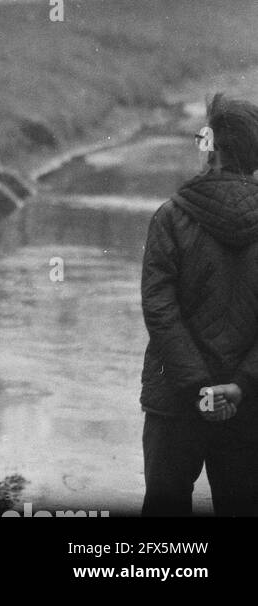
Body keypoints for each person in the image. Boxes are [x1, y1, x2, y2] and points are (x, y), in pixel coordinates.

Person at [140, 95, 258, 516]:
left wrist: (198, 387)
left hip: (175, 400)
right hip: (249, 407)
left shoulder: (170, 218)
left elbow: (159, 309)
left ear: (210, 147)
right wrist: (241, 384)